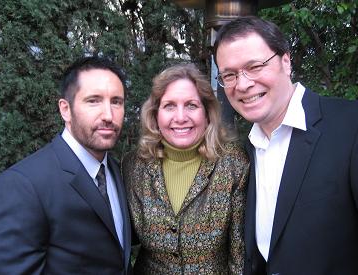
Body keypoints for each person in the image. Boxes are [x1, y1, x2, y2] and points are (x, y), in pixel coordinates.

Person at [213, 16, 358, 275]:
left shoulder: (350, 126)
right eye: (230, 75)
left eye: (255, 66)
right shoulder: (244, 152)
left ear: (286, 61)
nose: (243, 84)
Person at [0, 56, 132, 274]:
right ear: (65, 109)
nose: (108, 115)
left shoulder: (118, 170)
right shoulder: (22, 185)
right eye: (93, 100)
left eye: (116, 101)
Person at [122, 63, 249, 274]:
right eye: (169, 106)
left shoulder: (233, 163)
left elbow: (239, 256)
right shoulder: (133, 166)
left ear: (207, 113)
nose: (180, 117)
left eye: (191, 105)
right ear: (155, 115)